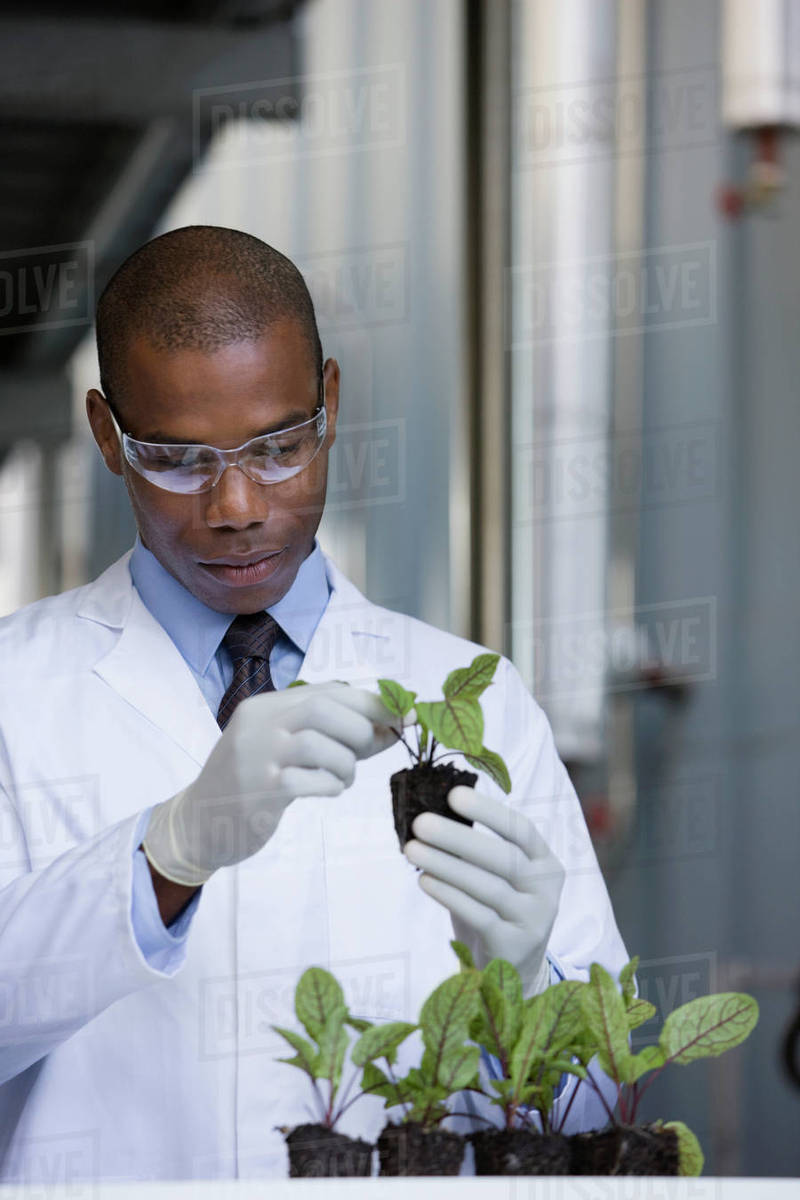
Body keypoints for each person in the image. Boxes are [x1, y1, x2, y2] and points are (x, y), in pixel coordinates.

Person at [0, 226, 627, 1183]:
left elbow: (599, 1116)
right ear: (106, 434)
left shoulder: (481, 703)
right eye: (178, 459)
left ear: (328, 404)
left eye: (280, 445)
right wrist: (162, 859)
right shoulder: (16, 690)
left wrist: (523, 979)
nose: (239, 504)